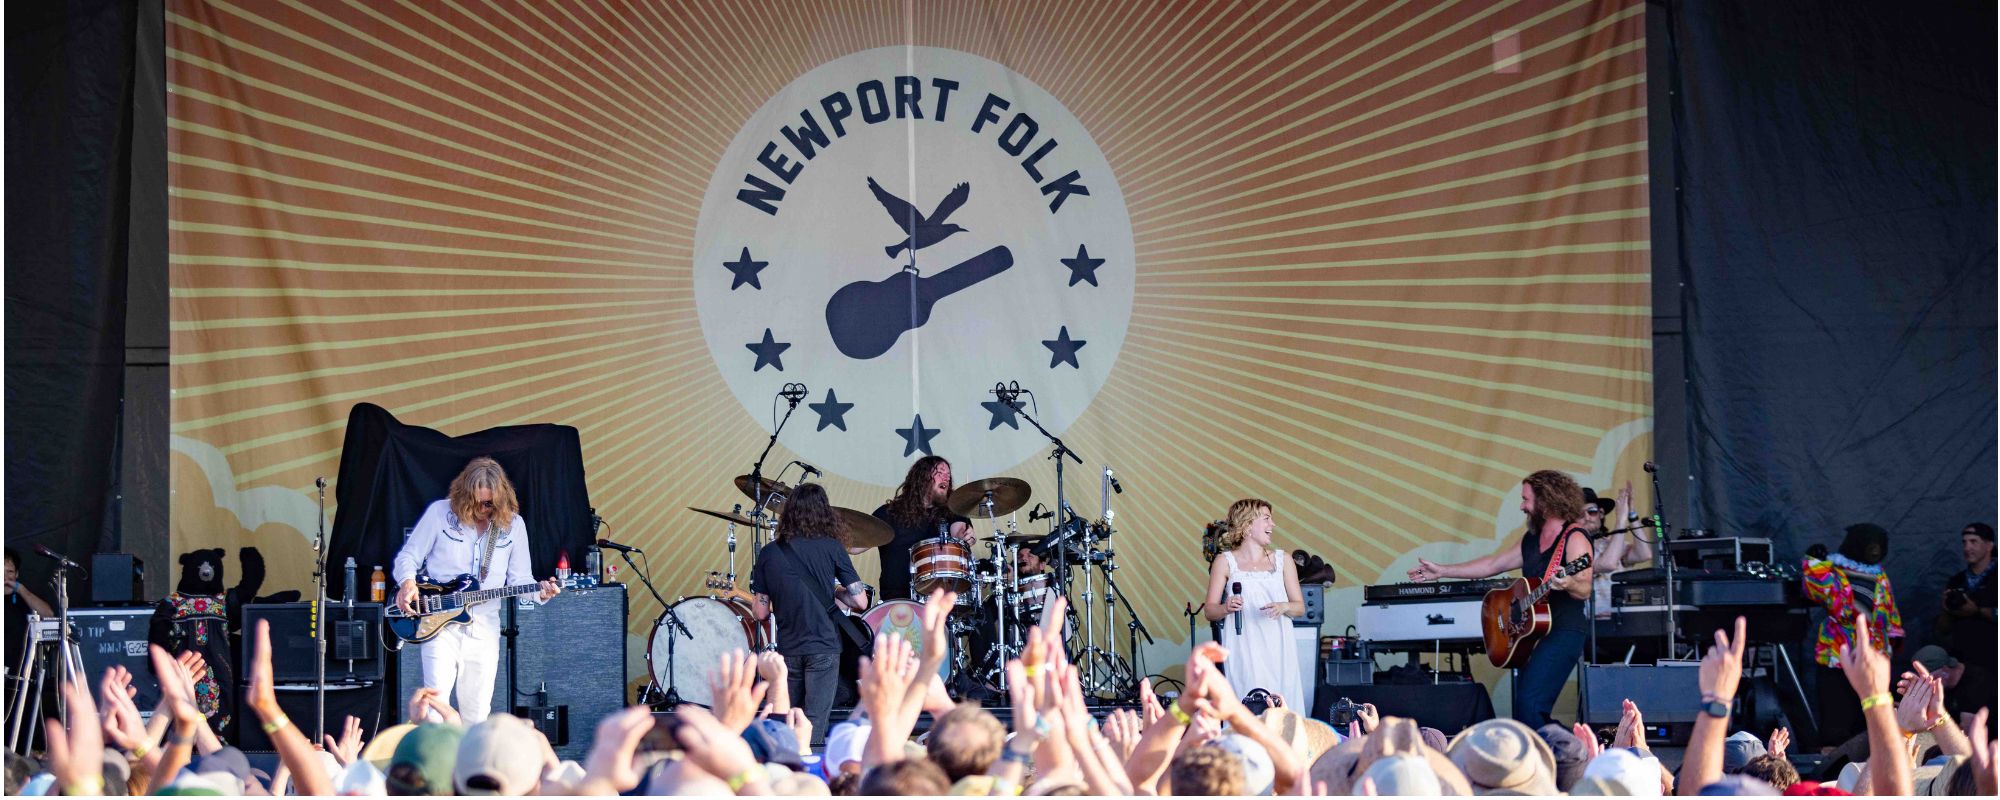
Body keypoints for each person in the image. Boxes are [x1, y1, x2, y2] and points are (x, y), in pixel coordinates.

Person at [1408, 470, 1595, 728]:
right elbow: (1493, 564)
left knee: (1531, 703)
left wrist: (1569, 582)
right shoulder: (1531, 539)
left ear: (1546, 500)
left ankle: (1570, 755)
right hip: (1533, 632)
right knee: (1526, 706)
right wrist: (1442, 571)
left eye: (1526, 499)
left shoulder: (1575, 536)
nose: (1522, 506)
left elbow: (1584, 587)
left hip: (1563, 631)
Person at [393, 457, 561, 724]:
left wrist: (540, 592)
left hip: (483, 628)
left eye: (490, 503)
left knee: (477, 714)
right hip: (439, 625)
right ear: (464, 495)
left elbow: (519, 579)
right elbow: (408, 557)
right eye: (479, 502)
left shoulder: (513, 526)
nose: (484, 508)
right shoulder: (440, 514)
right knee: (436, 710)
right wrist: (408, 582)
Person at [751, 482, 870, 745]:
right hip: (824, 645)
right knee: (815, 720)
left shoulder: (769, 553)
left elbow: (760, 611)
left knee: (786, 717)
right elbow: (860, 601)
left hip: (788, 648)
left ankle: (785, 770)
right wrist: (837, 592)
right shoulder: (832, 546)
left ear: (789, 512)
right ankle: (811, 772)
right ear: (824, 513)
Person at [1801, 522, 1903, 747]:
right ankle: (1833, 772)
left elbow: (1889, 609)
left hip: (1872, 660)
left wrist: (1893, 637)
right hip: (1838, 656)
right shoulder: (1836, 569)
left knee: (1868, 719)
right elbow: (1816, 587)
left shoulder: (1880, 577)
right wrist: (1814, 561)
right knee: (1837, 717)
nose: (1875, 549)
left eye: (1879, 545)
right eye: (1870, 544)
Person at [1202, 498, 1305, 710]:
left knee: (1282, 706)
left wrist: (1284, 606)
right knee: (1246, 702)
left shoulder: (1283, 560)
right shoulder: (1224, 561)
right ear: (1248, 525)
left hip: (1279, 648)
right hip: (1243, 647)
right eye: (1267, 519)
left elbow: (1299, 607)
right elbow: (1210, 611)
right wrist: (1225, 607)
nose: (1273, 525)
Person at [871, 456, 971, 601]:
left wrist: (965, 536)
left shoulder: (952, 512)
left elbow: (960, 531)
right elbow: (857, 544)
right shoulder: (888, 513)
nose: (947, 478)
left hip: (940, 599)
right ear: (922, 476)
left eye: (948, 475)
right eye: (941, 472)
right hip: (896, 601)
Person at [1939, 523, 1996, 678]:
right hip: (1963, 663)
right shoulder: (1956, 581)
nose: (1967, 547)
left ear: (1989, 545)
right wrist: (1946, 609)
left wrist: (1977, 611)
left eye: (1973, 542)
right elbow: (1943, 629)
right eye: (1964, 542)